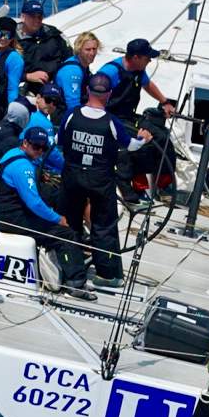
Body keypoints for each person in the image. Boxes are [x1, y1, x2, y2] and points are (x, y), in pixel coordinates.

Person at [59, 77, 154, 288]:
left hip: (72, 175)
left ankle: (70, 269)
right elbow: (131, 146)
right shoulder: (111, 121)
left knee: (70, 222)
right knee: (103, 225)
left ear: (86, 90)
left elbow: (60, 142)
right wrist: (144, 139)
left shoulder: (71, 115)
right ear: (109, 94)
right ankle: (106, 274)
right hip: (100, 178)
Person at [0, 126, 90, 295]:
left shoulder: (12, 154)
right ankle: (76, 283)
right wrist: (57, 218)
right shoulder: (23, 167)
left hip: (4, 211)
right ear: (25, 143)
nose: (39, 151)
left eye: (44, 148)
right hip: (10, 218)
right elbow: (34, 203)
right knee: (65, 234)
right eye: (36, 146)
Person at [94, 37, 175, 127]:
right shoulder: (110, 72)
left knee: (159, 129)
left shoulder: (138, 69)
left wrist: (165, 103)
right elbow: (93, 98)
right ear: (136, 58)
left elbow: (147, 84)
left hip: (127, 116)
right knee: (155, 137)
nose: (150, 60)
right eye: (147, 58)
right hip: (110, 119)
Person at [17, 0, 71, 84]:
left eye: (39, 16)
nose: (37, 20)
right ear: (23, 17)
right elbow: (3, 70)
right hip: (24, 84)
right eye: (32, 16)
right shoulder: (12, 38)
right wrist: (28, 76)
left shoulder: (53, 34)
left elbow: (70, 57)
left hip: (54, 84)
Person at [54, 31, 100, 116]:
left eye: (94, 49)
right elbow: (72, 103)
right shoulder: (73, 71)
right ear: (79, 49)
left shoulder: (83, 65)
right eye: (88, 49)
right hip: (64, 116)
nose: (92, 53)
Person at [0, 17, 26, 104]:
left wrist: (11, 111)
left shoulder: (14, 59)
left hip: (2, 107)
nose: (3, 38)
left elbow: (12, 89)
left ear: (12, 37)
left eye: (7, 35)